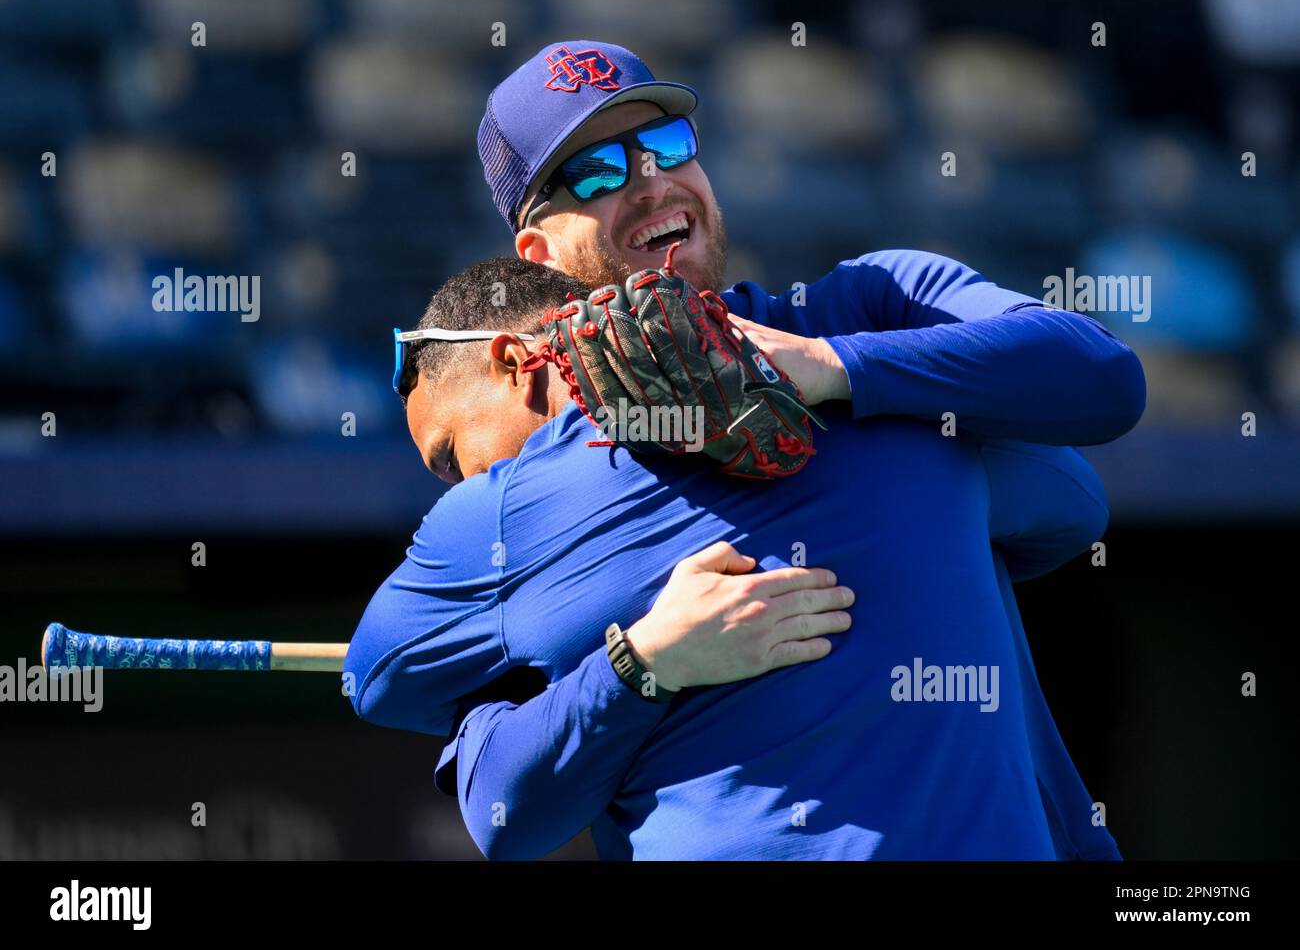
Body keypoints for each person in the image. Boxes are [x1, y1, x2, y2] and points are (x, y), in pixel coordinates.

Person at [344, 244, 1143, 857]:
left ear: (516, 366)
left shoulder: (502, 511)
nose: (455, 483)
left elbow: (378, 683)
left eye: (450, 456)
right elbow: (1073, 504)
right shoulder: (903, 384)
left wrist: (611, 666)